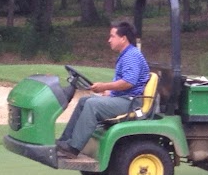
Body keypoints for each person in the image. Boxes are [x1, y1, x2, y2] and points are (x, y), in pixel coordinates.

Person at [56, 21, 151, 159]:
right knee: (84, 101)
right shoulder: (126, 54)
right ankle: (64, 141)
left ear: (123, 38)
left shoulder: (132, 56)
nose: (109, 40)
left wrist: (104, 86)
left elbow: (129, 82)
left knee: (92, 105)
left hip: (131, 102)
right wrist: (109, 92)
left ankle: (73, 148)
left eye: (112, 36)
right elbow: (126, 83)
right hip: (123, 98)